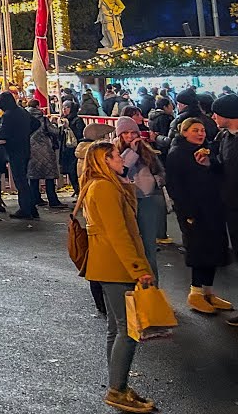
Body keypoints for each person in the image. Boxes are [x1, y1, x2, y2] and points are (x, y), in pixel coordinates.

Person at [78, 140, 157, 413]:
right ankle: (117, 389)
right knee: (128, 329)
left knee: (116, 327)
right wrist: (139, 268)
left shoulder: (105, 185)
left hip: (108, 266)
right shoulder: (104, 188)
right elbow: (119, 234)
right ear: (104, 161)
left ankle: (118, 384)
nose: (121, 159)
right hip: (116, 266)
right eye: (114, 156)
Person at [164, 118, 233, 314]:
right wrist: (187, 213)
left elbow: (219, 174)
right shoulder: (177, 153)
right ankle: (195, 293)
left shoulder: (208, 151)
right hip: (194, 212)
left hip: (213, 208)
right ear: (184, 132)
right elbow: (175, 186)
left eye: (202, 130)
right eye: (195, 130)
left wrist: (208, 164)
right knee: (199, 250)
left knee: (214, 249)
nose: (201, 133)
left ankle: (209, 292)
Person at [209, 93, 238, 326]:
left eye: (216, 113)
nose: (212, 117)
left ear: (228, 115)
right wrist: (210, 163)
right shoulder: (225, 136)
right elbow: (224, 169)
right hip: (234, 210)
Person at [112, 117, 163, 280]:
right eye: (125, 133)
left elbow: (159, 170)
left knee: (149, 247)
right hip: (126, 201)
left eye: (133, 132)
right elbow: (121, 171)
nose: (130, 136)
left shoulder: (147, 150)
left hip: (147, 199)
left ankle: (152, 288)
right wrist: (132, 152)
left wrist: (155, 181)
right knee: (131, 245)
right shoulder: (114, 152)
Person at [0, 91, 36, 220]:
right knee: (24, 180)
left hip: (14, 149)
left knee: (20, 181)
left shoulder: (8, 115)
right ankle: (31, 208)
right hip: (25, 147)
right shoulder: (22, 111)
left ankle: (25, 209)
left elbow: (2, 133)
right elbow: (36, 123)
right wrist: (25, 133)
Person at [28, 105, 64, 208]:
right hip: (45, 150)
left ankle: (36, 198)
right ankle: (53, 200)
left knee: (33, 177)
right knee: (49, 177)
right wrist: (60, 125)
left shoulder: (25, 119)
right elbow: (55, 132)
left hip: (31, 150)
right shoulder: (43, 120)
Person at [60, 100, 87, 195]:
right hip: (66, 149)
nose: (64, 110)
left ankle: (79, 191)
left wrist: (69, 128)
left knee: (74, 171)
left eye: (66, 107)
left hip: (74, 149)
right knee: (70, 171)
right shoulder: (63, 119)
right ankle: (76, 190)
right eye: (63, 107)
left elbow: (80, 133)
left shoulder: (77, 120)